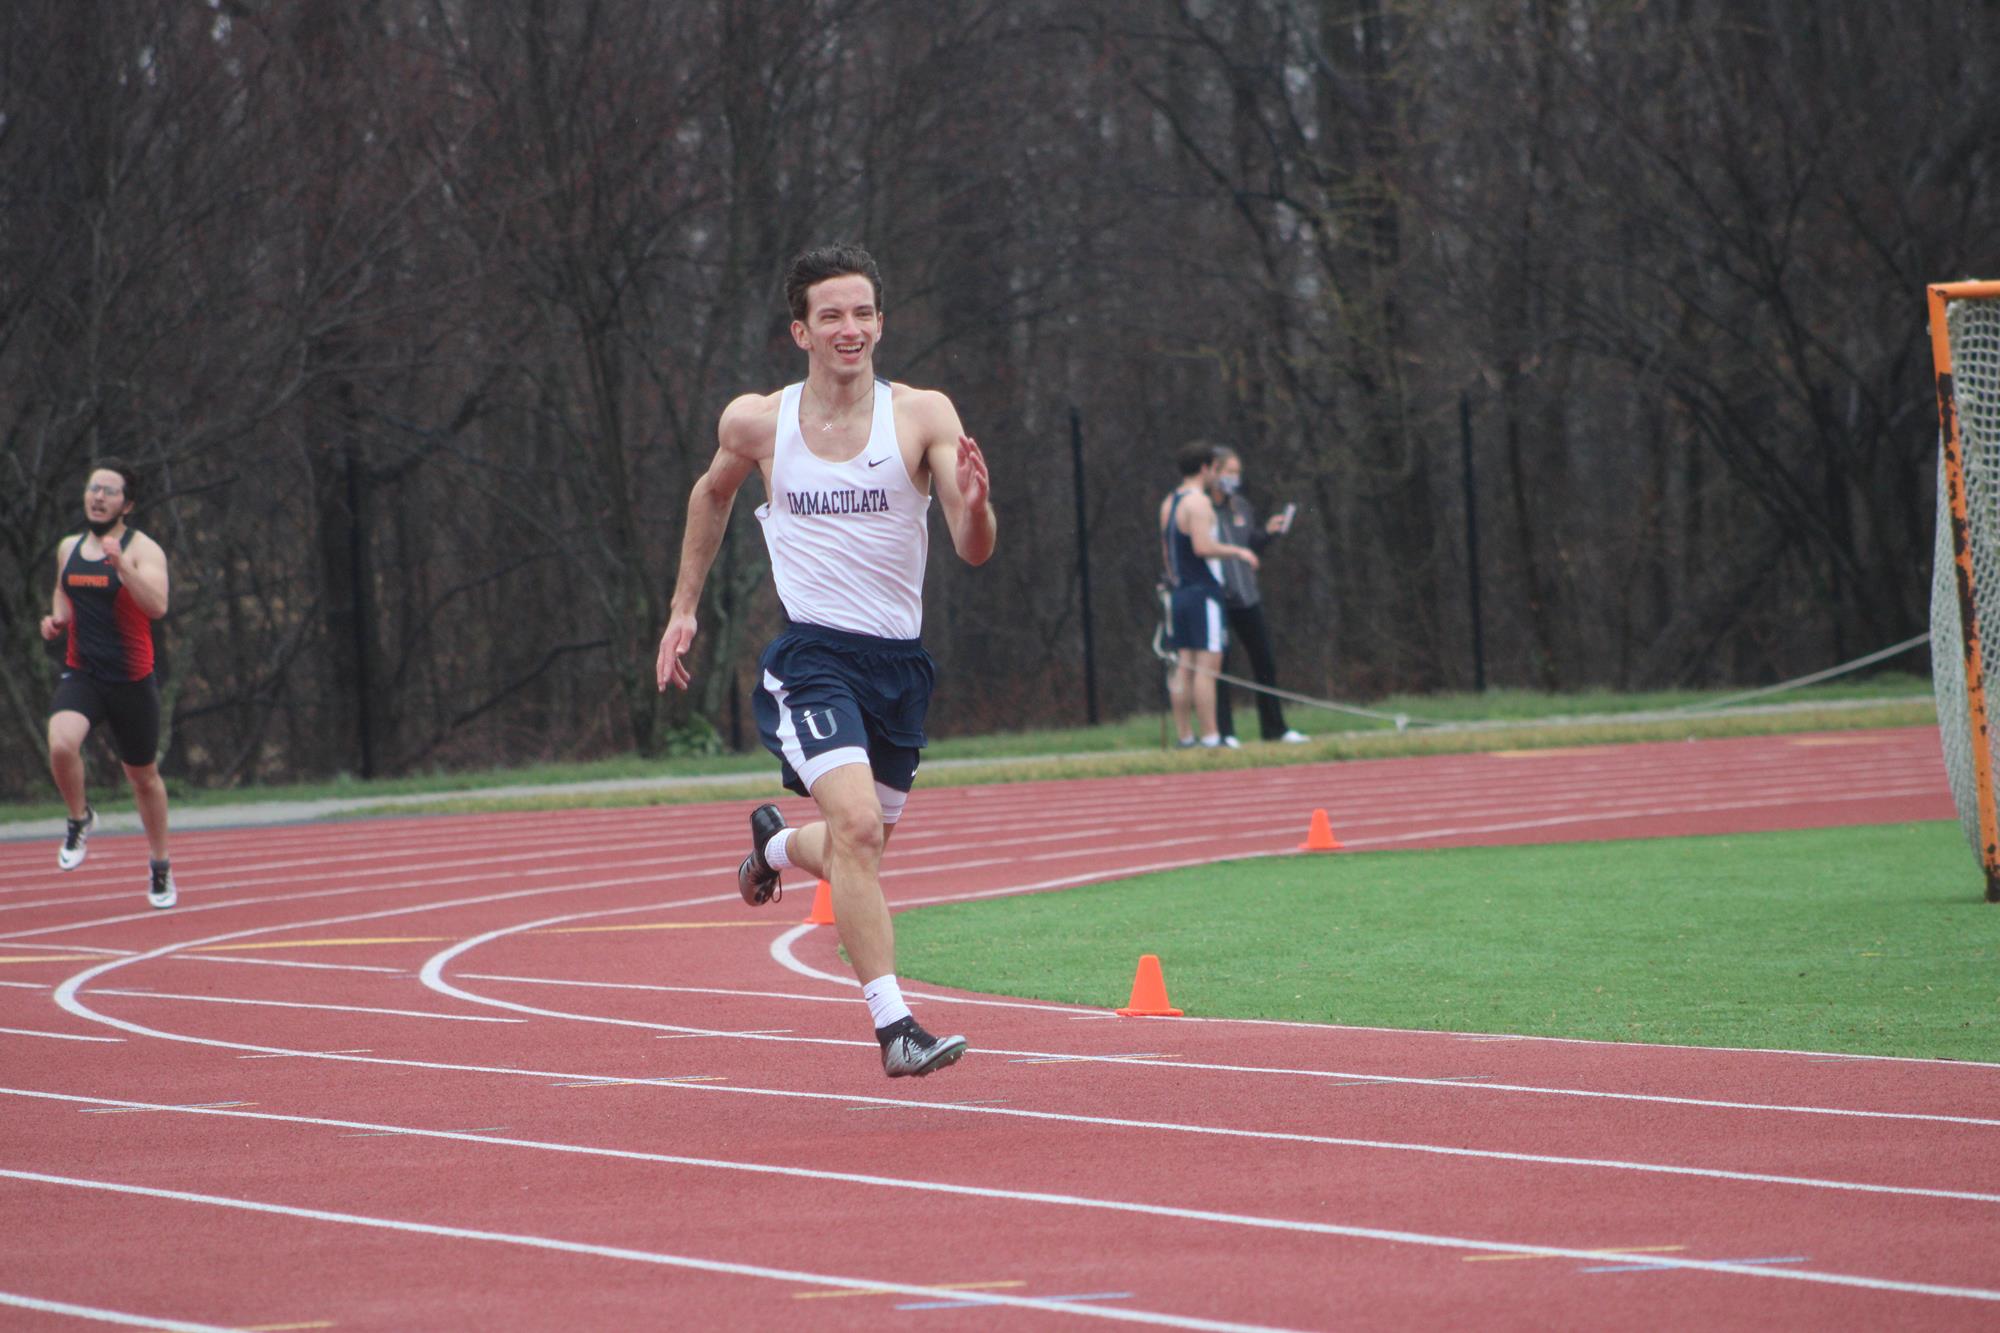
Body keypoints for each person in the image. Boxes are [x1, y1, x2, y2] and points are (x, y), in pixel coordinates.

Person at [655, 243, 996, 1080]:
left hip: (898, 667)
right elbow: (711, 493)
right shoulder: (759, 422)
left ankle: (773, 849)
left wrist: (980, 508)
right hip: (811, 657)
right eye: (833, 315)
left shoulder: (922, 416)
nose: (852, 329)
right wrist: (683, 609)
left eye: (864, 313)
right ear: (800, 330)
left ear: (881, 322)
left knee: (860, 849)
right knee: (857, 829)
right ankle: (897, 1027)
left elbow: (972, 548)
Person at [38, 459, 177, 908]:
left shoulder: (144, 550)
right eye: (93, 487)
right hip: (84, 673)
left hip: (131, 680)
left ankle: (159, 866)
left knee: (143, 777)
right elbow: (65, 590)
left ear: (127, 504)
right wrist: (58, 617)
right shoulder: (68, 547)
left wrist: (124, 567)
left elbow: (157, 607)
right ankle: (79, 818)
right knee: (61, 743)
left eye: (109, 491)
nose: (98, 496)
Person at [1209, 445, 1311, 745]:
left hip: (1247, 596)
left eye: (1237, 472)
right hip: (1218, 598)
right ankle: (1224, 733)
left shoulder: (1240, 505)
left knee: (1264, 660)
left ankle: (1274, 727)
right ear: (1213, 471)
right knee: (1220, 668)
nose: (1234, 478)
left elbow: (1248, 544)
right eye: (1229, 472)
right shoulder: (1201, 507)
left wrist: (1267, 533)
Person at [1158, 442, 1258, 749]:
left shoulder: (1169, 502)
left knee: (1184, 665)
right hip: (1202, 591)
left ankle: (1185, 735)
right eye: (1216, 469)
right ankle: (1212, 735)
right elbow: (1202, 547)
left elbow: (1167, 552)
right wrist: (1239, 552)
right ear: (1205, 468)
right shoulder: (1198, 503)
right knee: (1205, 668)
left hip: (1181, 592)